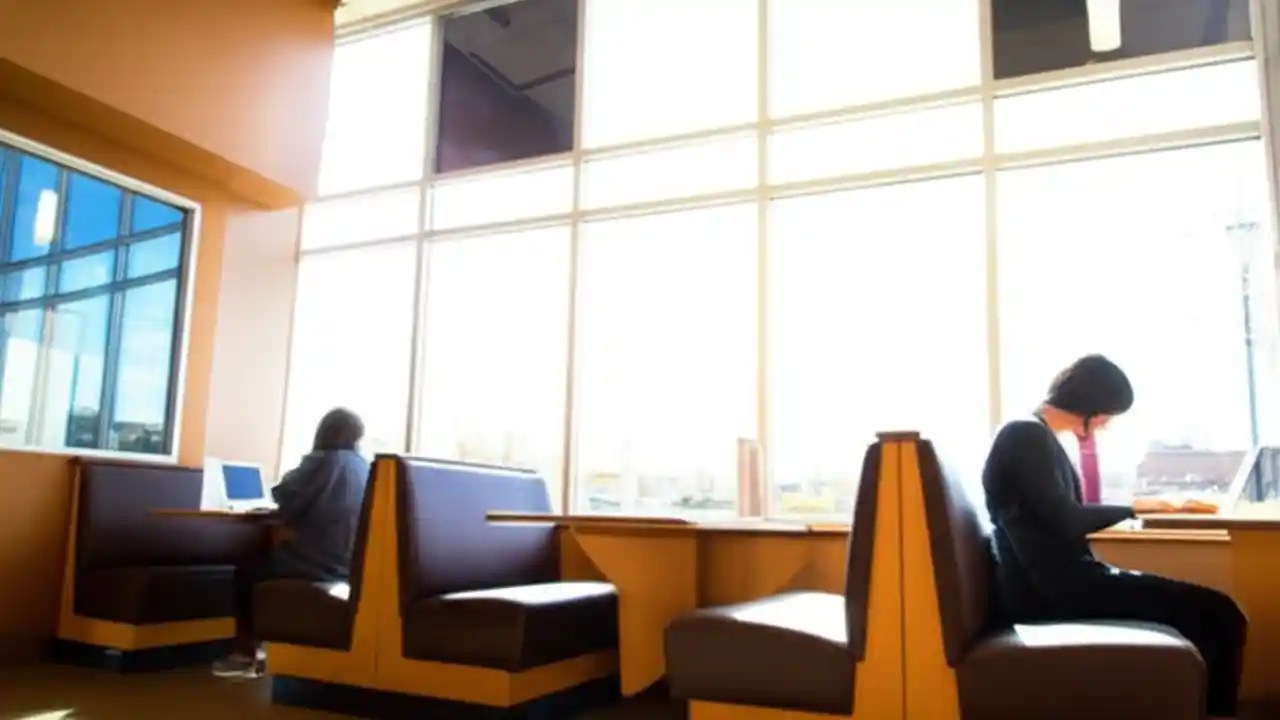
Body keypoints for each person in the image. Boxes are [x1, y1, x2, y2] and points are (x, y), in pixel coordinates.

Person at [983, 355, 1247, 720]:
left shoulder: (1033, 436)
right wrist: (1136, 508)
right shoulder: (1024, 435)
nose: (1106, 424)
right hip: (1053, 593)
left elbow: (1058, 517)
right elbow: (1066, 520)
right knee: (1221, 614)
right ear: (1091, 405)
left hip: (1061, 584)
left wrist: (1147, 508)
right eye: (1108, 414)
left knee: (1216, 613)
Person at [212, 408, 371, 678]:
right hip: (349, 565)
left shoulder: (323, 461)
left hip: (316, 563)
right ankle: (259, 649)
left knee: (247, 573)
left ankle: (246, 654)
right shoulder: (363, 467)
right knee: (263, 560)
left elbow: (285, 496)